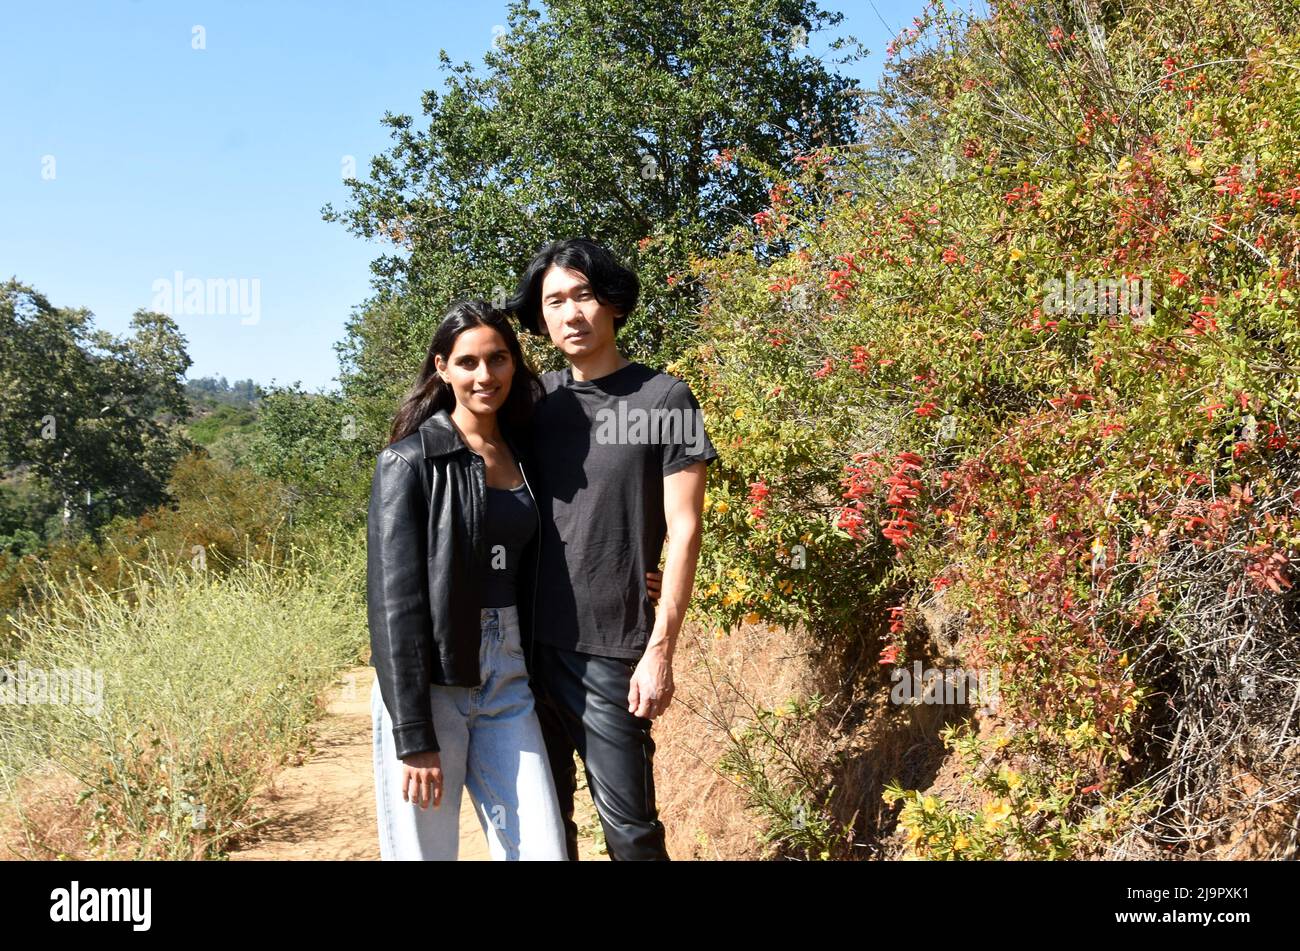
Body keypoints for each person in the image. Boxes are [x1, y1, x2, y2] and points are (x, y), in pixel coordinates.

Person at [508, 238, 718, 860]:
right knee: (542, 829)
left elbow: (684, 530)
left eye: (584, 295)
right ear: (540, 318)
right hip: (521, 650)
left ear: (614, 304)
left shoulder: (664, 400)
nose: (572, 313)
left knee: (631, 834)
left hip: (611, 649)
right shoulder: (530, 402)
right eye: (555, 301)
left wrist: (661, 651)